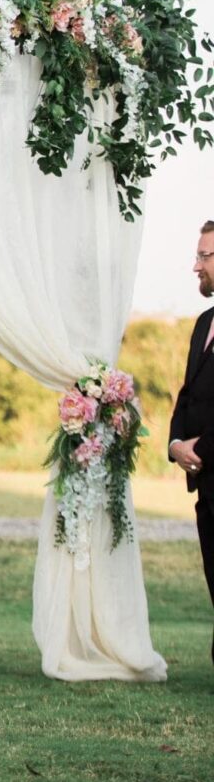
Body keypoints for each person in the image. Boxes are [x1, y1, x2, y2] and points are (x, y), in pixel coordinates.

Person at [168, 220, 214, 665]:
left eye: (204, 256)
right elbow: (187, 393)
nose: (195, 265)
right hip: (205, 484)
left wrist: (202, 448)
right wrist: (176, 442)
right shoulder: (203, 323)